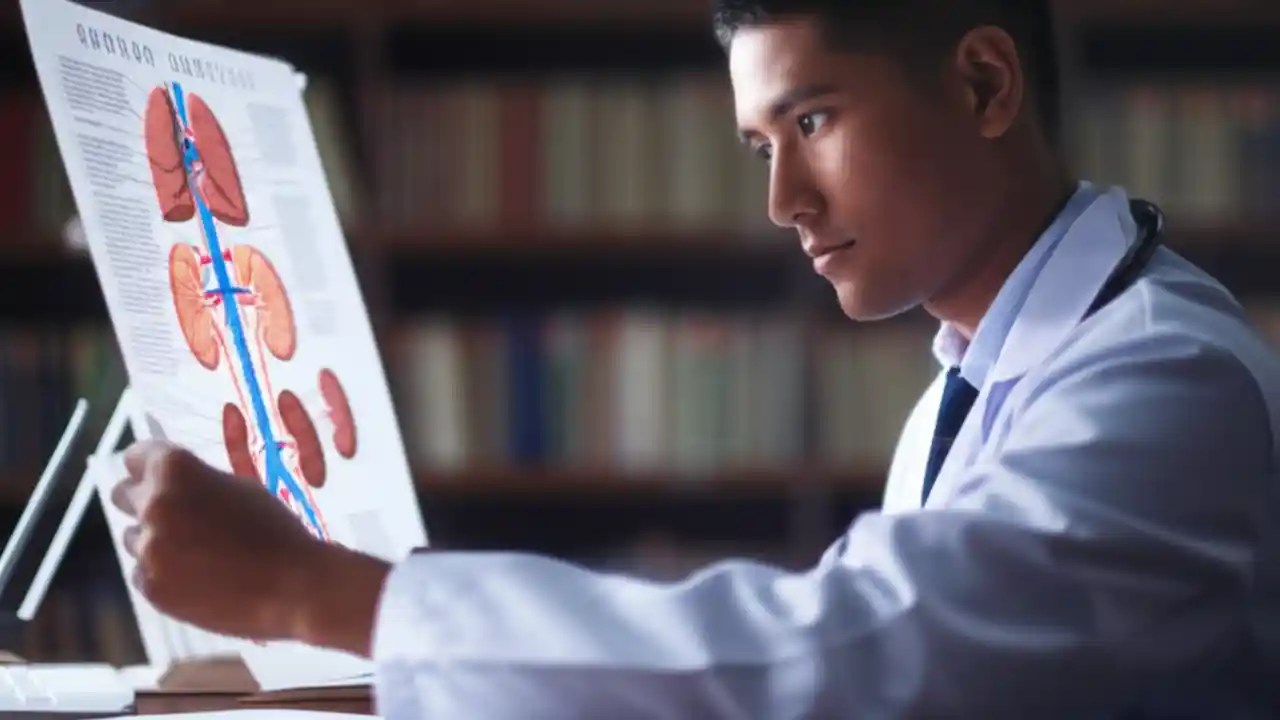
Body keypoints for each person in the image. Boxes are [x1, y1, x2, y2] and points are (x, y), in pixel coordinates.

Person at [112, 0, 1280, 717]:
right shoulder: (955, 399)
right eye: (756, 147)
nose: (781, 201)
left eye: (811, 122)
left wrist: (315, 592)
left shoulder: (1162, 380)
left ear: (983, 83)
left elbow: (855, 666)